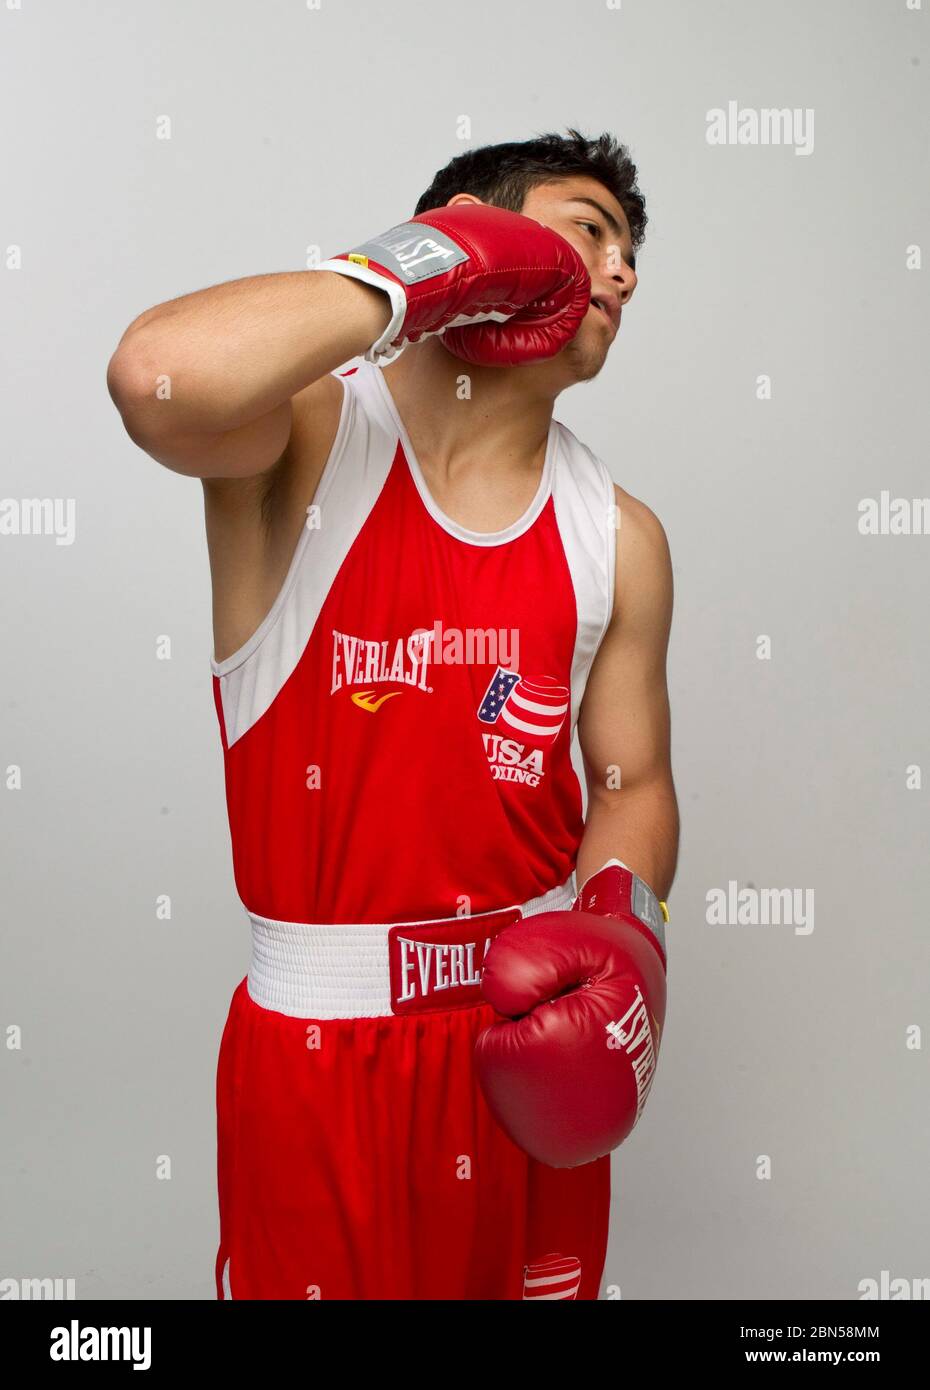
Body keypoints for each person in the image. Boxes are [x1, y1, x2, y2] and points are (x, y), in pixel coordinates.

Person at [108, 129, 679, 1301]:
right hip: (323, 1061)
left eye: (632, 254)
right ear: (485, 234)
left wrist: (625, 931)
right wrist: (420, 271)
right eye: (588, 232)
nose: (620, 273)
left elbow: (634, 787)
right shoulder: (308, 437)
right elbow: (156, 377)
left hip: (527, 1051)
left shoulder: (617, 536)